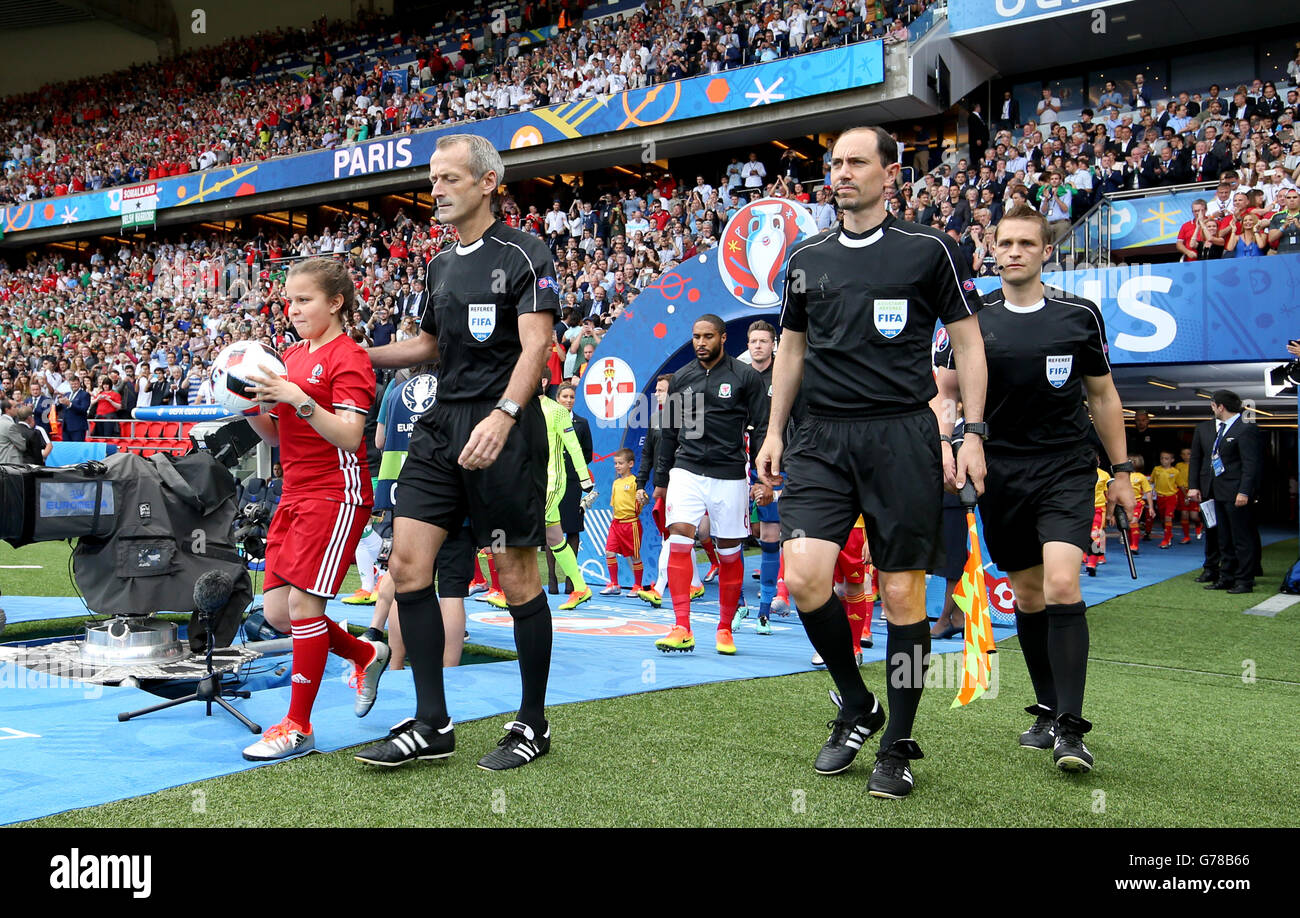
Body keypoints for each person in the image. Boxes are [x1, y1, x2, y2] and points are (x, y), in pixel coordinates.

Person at [757, 126, 988, 799]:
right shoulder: (806, 256)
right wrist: (774, 431)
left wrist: (970, 431)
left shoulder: (929, 250)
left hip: (901, 437)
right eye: (836, 163)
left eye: (858, 161)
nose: (843, 172)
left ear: (891, 173)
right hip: (820, 439)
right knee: (803, 577)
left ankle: (898, 743)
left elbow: (969, 346)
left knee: (900, 595)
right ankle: (857, 702)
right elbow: (792, 352)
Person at [356, 134, 559, 770]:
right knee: (408, 568)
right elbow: (428, 346)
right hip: (441, 425)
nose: (435, 191)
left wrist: (505, 413)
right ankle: (432, 723)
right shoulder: (439, 264)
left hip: (503, 426)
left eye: (447, 179)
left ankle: (531, 724)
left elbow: (536, 347)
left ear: (487, 182)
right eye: (433, 180)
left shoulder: (527, 251)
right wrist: (354, 357)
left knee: (518, 575)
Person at [936, 203, 1135, 773]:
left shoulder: (1080, 316)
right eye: (1006, 244)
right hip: (998, 471)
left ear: (1046, 251)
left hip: (1066, 467)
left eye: (1027, 243)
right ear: (992, 250)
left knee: (1063, 583)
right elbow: (945, 394)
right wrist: (951, 445)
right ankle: (1047, 708)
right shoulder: (972, 318)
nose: (1015, 252)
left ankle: (1072, 729)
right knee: (1026, 595)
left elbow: (1103, 398)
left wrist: (1121, 473)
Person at [239, 256, 389, 761]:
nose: (294, 308)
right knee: (279, 613)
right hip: (294, 492)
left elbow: (350, 436)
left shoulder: (350, 358)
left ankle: (298, 726)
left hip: (337, 492)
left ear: (335, 302)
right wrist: (252, 409)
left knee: (304, 608)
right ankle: (365, 652)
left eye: (304, 299)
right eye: (290, 300)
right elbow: (278, 436)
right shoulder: (291, 356)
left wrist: (296, 396)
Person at [652, 314, 768, 655]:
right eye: (696, 337)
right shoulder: (682, 377)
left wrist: (762, 476)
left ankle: (724, 628)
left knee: (730, 551)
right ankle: (681, 626)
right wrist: (661, 480)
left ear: (722, 337)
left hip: (730, 473)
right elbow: (669, 432)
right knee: (679, 541)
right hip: (685, 472)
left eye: (707, 336)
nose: (700, 343)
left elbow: (761, 428)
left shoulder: (744, 377)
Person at [635, 374, 705, 607]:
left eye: (662, 390)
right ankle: (695, 583)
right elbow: (647, 456)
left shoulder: (689, 418)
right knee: (676, 536)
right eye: (656, 390)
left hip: (685, 484)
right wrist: (641, 484)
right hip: (664, 486)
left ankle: (659, 588)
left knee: (674, 536)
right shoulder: (655, 418)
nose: (657, 394)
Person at [539, 384, 598, 610]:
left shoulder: (556, 411)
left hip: (553, 482)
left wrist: (585, 479)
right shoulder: (520, 407)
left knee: (518, 527)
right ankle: (581, 588)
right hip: (534, 481)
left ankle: (508, 590)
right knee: (554, 536)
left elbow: (575, 447)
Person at [1200, 390, 1261, 594]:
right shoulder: (1223, 429)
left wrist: (1244, 492)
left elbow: (1250, 464)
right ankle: (1226, 577)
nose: (1212, 409)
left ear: (1220, 407)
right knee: (1223, 538)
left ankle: (1244, 580)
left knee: (1241, 539)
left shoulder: (1245, 429)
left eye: (1213, 406)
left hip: (1237, 494)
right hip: (1219, 492)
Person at [743, 320, 781, 635]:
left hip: (776, 468)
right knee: (724, 532)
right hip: (739, 467)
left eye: (763, 341)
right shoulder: (739, 378)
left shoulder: (783, 377)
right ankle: (739, 604)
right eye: (753, 341)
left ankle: (765, 609)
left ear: (773, 344)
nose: (757, 345)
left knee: (772, 537)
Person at [602, 448, 643, 595]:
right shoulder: (616, 483)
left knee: (635, 555)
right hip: (616, 524)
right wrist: (614, 520)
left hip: (631, 524)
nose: (617, 466)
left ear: (630, 464)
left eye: (620, 463)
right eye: (615, 463)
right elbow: (613, 504)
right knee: (609, 552)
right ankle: (614, 584)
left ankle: (638, 586)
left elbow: (643, 499)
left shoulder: (635, 481)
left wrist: (643, 499)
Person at [1149, 450, 1181, 549]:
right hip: (1160, 497)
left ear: (1172, 460)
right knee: (1163, 518)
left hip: (1171, 497)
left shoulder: (1175, 472)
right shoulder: (1156, 469)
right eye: (1162, 458)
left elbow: (1179, 485)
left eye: (1166, 458)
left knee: (1168, 517)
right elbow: (1151, 481)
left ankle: (1166, 540)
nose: (1163, 460)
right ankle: (1168, 533)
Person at [1125, 455, 1154, 555]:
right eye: (1129, 460)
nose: (1130, 462)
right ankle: (1130, 545)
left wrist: (1151, 507)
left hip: (1137, 503)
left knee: (1133, 521)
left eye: (1133, 461)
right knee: (1128, 525)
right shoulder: (1123, 475)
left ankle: (1134, 546)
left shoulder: (1141, 477)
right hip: (1125, 503)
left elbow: (1148, 491)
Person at [1174, 446, 1200, 544]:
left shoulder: (1196, 464)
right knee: (1184, 514)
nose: (1186, 456)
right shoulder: (1178, 465)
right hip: (1182, 490)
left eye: (1188, 453)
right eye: (1183, 454)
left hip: (1192, 490)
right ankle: (1186, 536)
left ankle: (1198, 524)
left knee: (1194, 516)